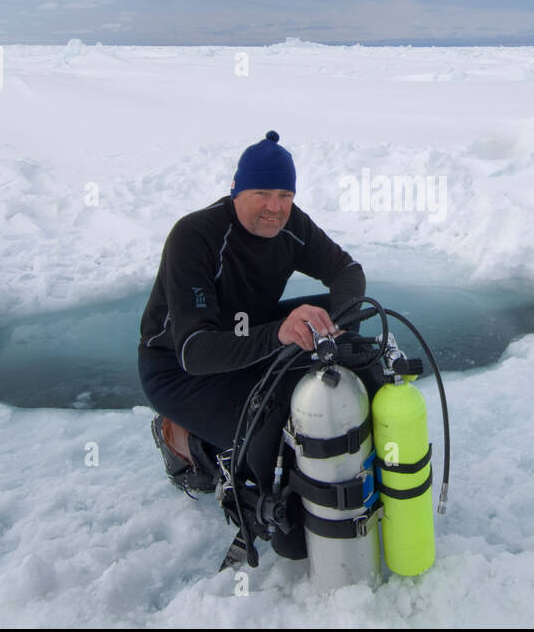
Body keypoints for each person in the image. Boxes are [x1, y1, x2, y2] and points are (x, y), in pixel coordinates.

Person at [137, 131, 384, 560]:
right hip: (178, 370)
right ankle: (182, 440)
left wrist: (341, 332)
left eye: (285, 194)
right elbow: (195, 349)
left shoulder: (291, 223)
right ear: (237, 191)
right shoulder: (195, 236)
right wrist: (280, 334)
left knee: (334, 313)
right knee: (270, 438)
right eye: (262, 193)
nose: (275, 207)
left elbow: (347, 271)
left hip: (248, 333)